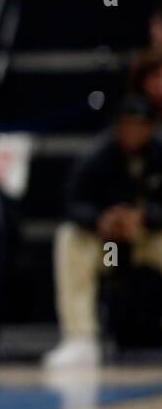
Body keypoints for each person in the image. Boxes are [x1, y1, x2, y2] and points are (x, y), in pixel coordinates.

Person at [44, 97, 162, 370]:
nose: (133, 132)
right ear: (117, 127)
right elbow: (73, 204)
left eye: (140, 125)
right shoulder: (96, 157)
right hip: (108, 245)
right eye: (127, 125)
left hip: (147, 238)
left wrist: (145, 218)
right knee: (70, 239)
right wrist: (101, 220)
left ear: (150, 128)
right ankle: (80, 338)